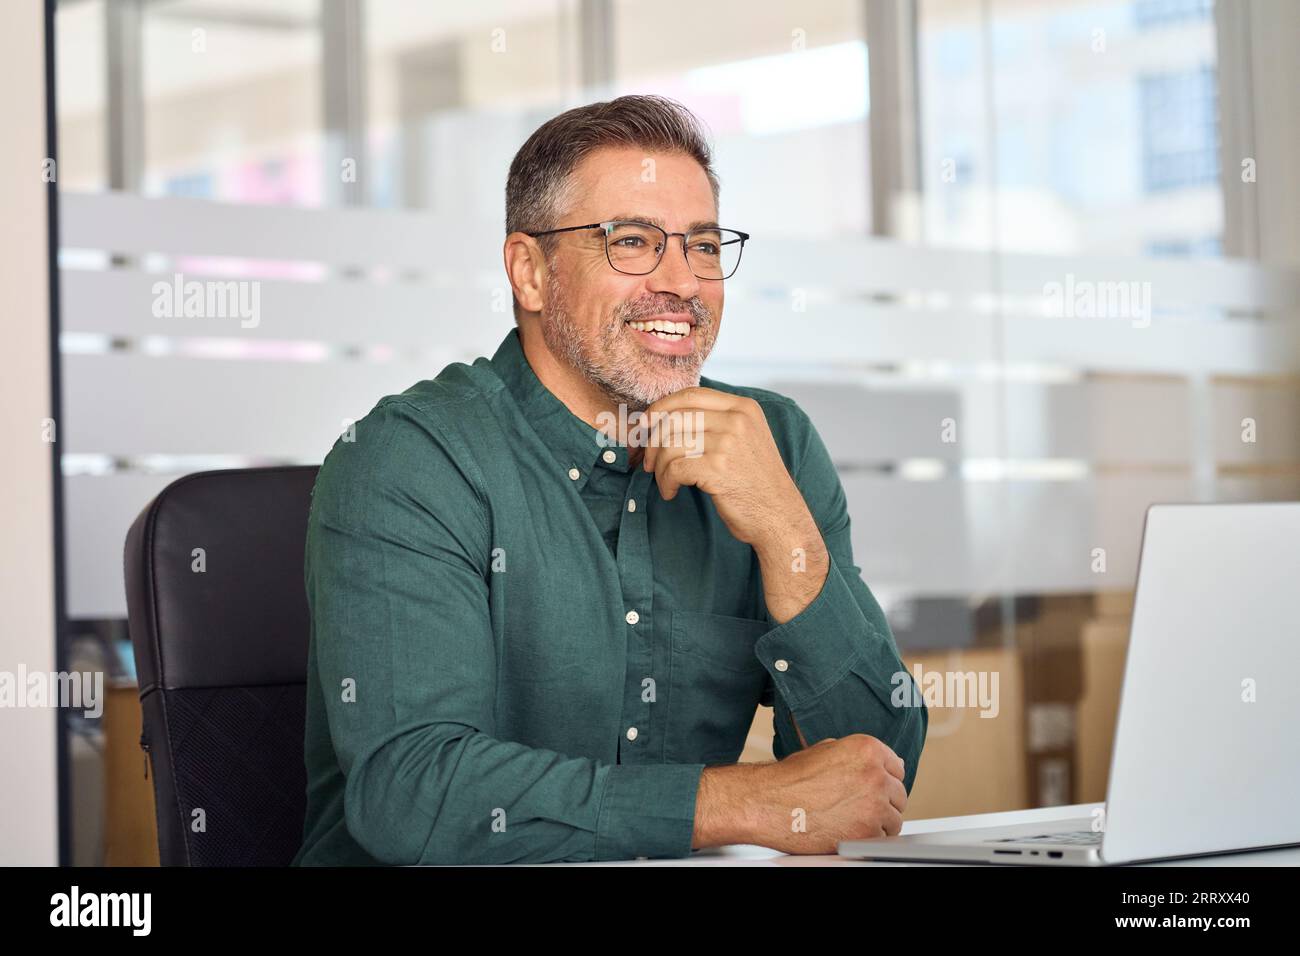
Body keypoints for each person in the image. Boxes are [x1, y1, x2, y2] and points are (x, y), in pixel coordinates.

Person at [293, 94, 927, 865]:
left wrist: (784, 530)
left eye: (701, 246)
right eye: (633, 242)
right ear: (530, 272)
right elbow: (412, 790)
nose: (683, 283)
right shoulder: (410, 461)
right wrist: (744, 802)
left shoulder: (773, 445)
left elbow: (875, 777)